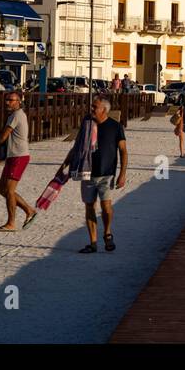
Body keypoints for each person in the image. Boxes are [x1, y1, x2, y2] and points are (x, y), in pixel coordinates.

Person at [78, 97, 127, 253]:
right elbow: (77, 146)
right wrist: (64, 166)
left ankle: (107, 232)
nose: (91, 109)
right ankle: (93, 242)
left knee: (106, 207)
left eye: (95, 107)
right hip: (87, 173)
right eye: (92, 107)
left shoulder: (115, 126)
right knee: (89, 206)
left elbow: (123, 151)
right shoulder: (87, 124)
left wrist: (122, 174)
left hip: (107, 174)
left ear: (104, 110)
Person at [0, 90, 36, 231]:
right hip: (13, 156)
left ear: (19, 102)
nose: (7, 102)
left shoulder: (16, 115)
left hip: (19, 155)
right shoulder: (14, 115)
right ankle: (29, 210)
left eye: (11, 100)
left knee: (10, 191)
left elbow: (3, 137)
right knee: (2, 190)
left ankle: (11, 223)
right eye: (6, 99)